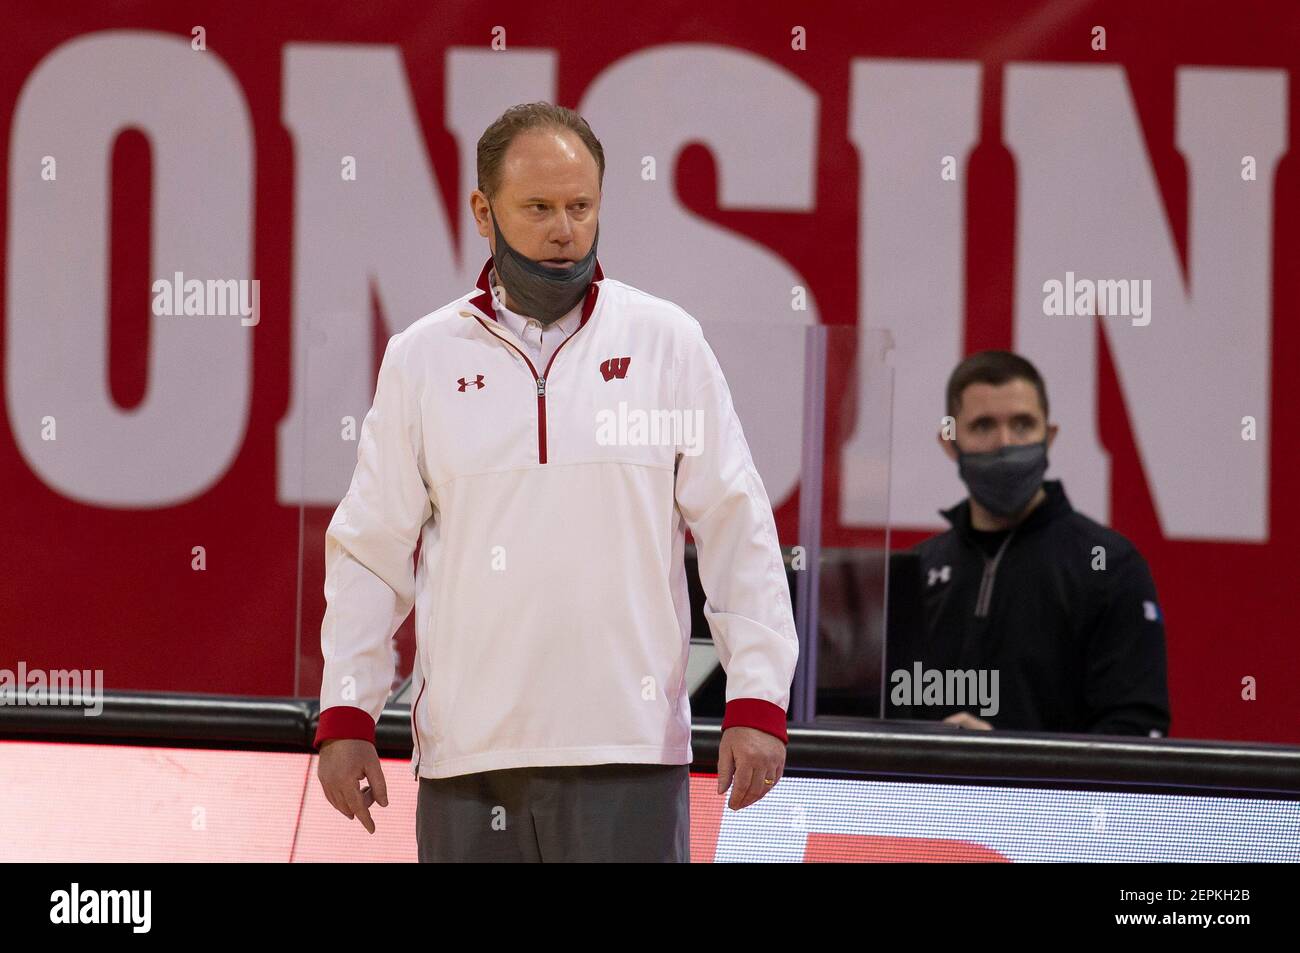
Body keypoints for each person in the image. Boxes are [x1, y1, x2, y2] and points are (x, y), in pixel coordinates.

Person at [312, 102, 798, 861]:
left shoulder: (667, 342)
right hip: (470, 760)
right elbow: (371, 549)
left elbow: (738, 528)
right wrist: (347, 711)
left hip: (630, 751)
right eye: (537, 207)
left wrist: (759, 697)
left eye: (580, 206)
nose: (563, 228)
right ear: (484, 210)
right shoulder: (422, 359)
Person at [897, 350, 1169, 736]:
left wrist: (1007, 757)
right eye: (983, 425)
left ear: (1049, 436)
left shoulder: (1110, 566)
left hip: (1063, 798)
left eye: (1023, 424)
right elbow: (890, 713)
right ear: (949, 441)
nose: (1005, 444)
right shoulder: (920, 569)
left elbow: (1137, 732)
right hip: (929, 796)